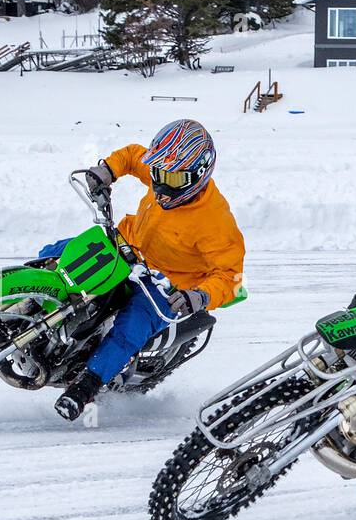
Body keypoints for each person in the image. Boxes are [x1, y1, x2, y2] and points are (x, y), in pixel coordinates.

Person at [47, 119, 245, 421]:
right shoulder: (164, 172)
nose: (162, 186)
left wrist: (200, 297)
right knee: (58, 252)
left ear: (199, 175)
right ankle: (26, 306)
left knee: (131, 329)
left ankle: (84, 387)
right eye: (158, 174)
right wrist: (108, 170)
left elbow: (231, 275)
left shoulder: (216, 221)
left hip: (167, 283)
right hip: (127, 244)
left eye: (174, 180)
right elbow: (130, 155)